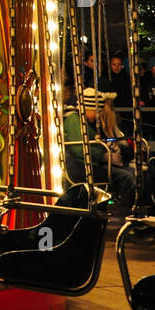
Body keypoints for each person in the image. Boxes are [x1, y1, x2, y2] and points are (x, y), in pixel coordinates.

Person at [63, 87, 136, 217]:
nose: (97, 115)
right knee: (127, 177)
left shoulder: (80, 121)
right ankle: (127, 216)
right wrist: (104, 155)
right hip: (81, 166)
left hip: (89, 163)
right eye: (95, 111)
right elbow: (80, 149)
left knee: (129, 174)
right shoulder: (74, 121)